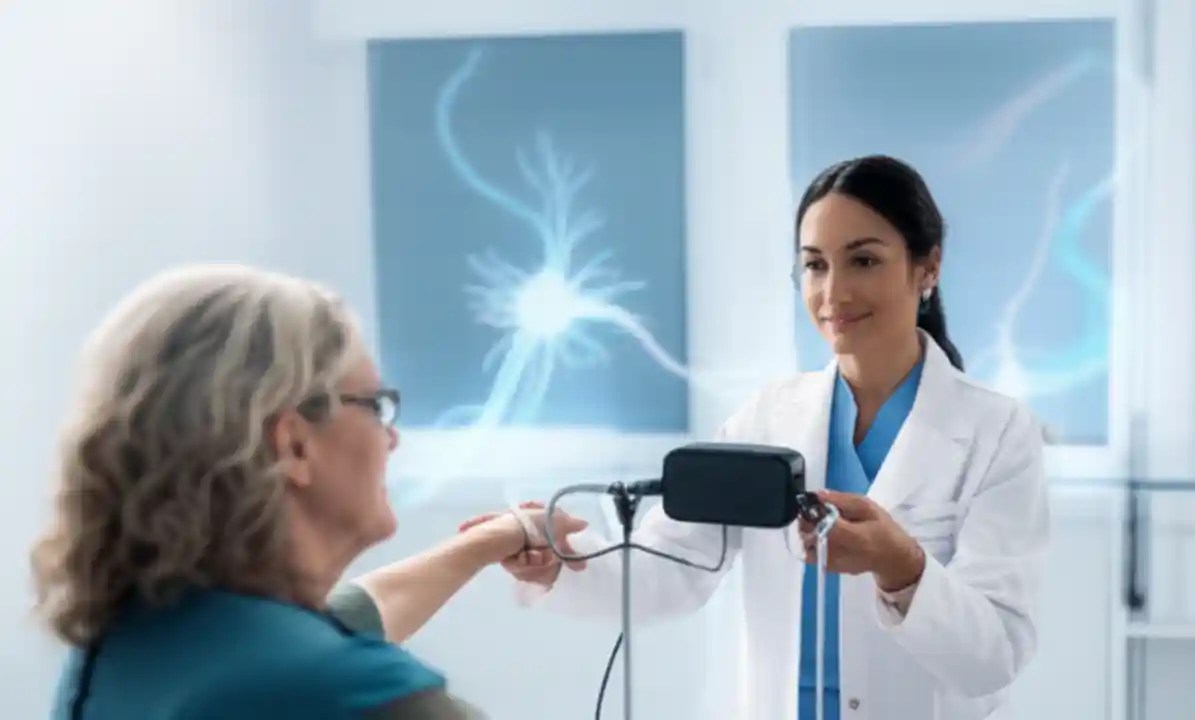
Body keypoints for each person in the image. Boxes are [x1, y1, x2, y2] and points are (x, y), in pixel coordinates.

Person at [469, 156, 1050, 720]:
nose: (834, 293)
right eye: (815, 265)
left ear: (927, 268)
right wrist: (560, 560)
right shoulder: (768, 417)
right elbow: (669, 567)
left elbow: (993, 656)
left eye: (864, 261)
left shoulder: (995, 433)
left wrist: (903, 568)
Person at [31, 265, 584, 719]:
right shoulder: (352, 694)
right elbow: (315, 661)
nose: (391, 438)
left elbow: (329, 624)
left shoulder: (122, 651)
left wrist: (490, 542)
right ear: (294, 445)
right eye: (375, 406)